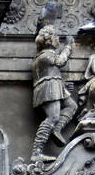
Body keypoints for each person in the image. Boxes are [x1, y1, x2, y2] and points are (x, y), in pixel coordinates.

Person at [30, 24, 77, 158]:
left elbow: (53, 72)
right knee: (53, 117)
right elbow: (60, 61)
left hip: (55, 85)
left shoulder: (46, 55)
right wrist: (68, 46)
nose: (57, 39)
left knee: (72, 106)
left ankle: (56, 128)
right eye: (55, 36)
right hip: (48, 88)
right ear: (49, 40)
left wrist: (64, 87)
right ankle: (37, 153)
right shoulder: (45, 56)